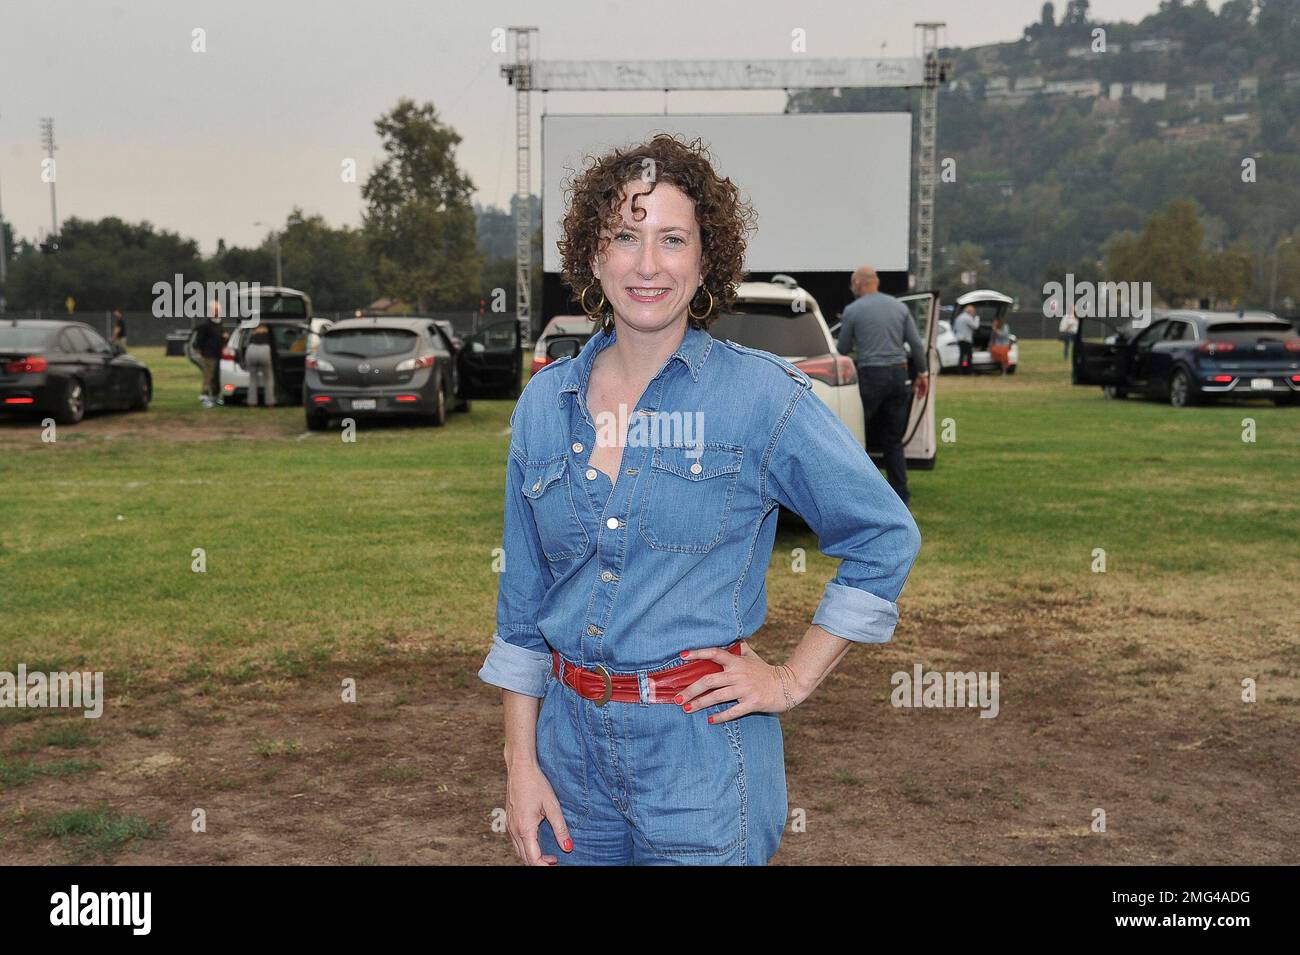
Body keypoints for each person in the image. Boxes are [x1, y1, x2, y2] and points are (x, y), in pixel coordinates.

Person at [477, 133, 922, 867]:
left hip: (703, 762)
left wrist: (790, 678)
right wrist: (520, 767)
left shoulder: (762, 396)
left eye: (672, 239)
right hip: (567, 760)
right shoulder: (542, 405)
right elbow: (522, 609)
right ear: (593, 257)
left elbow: (884, 537)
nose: (647, 264)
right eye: (625, 236)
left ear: (705, 259)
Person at [835, 265, 929, 507]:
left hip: (870, 376)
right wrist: (923, 373)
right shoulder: (900, 308)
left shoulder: (852, 310)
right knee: (893, 439)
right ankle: (901, 494)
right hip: (899, 375)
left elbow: (842, 349)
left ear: (858, 284)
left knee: (856, 435)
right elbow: (916, 346)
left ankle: (857, 491)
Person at [194, 301, 226, 408]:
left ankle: (215, 397)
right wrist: (199, 352)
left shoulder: (219, 323)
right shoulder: (205, 325)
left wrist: (225, 337)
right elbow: (199, 340)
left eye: (219, 309)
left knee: (216, 377)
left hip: (218, 354)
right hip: (208, 355)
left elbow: (220, 338)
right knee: (209, 376)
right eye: (216, 309)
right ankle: (204, 397)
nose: (218, 312)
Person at [244, 320, 275, 407]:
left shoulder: (252, 332)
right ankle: (270, 403)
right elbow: (273, 345)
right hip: (265, 350)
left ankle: (252, 403)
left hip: (251, 349)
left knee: (253, 379)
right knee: (268, 378)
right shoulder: (268, 331)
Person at [953, 303, 979, 374]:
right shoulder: (967, 318)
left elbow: (954, 329)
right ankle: (969, 371)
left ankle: (960, 371)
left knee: (961, 355)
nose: (973, 313)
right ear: (970, 311)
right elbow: (975, 326)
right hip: (966, 339)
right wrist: (976, 318)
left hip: (959, 338)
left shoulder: (959, 317)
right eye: (973, 312)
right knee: (969, 356)